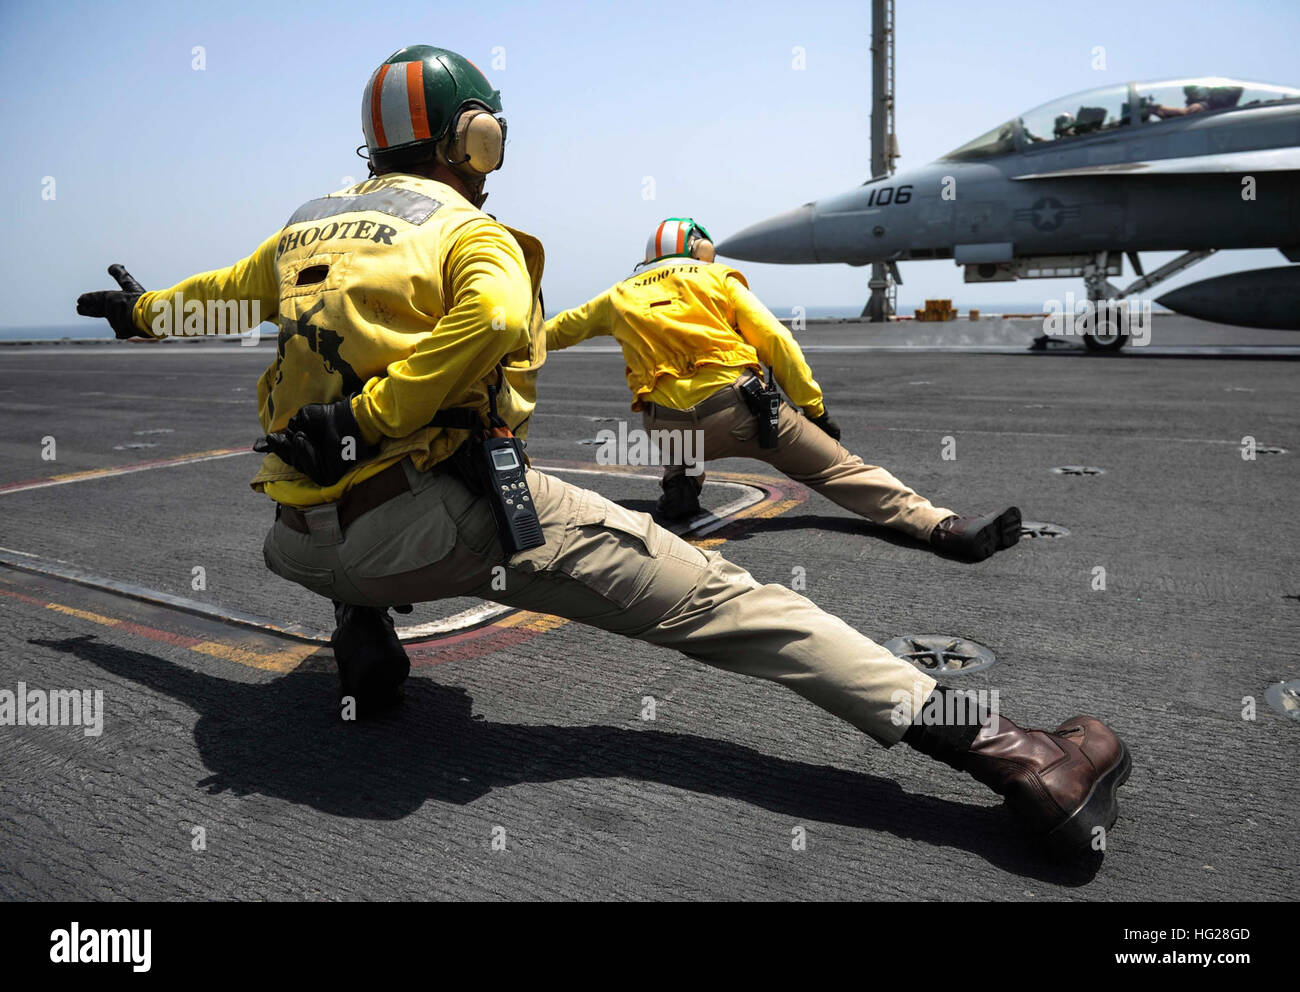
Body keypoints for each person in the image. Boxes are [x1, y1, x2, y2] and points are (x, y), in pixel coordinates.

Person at [76, 45, 1129, 855]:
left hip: (296, 542)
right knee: (735, 604)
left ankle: (365, 642)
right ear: (475, 141)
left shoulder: (306, 228)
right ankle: (1025, 758)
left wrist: (136, 315)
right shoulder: (472, 235)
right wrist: (375, 416)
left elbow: (199, 303)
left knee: (357, 505)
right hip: (433, 521)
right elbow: (493, 325)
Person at [544, 220, 1022, 562]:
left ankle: (680, 492)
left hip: (668, 427)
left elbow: (552, 332)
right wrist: (814, 408)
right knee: (839, 469)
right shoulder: (715, 277)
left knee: (675, 423)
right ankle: (942, 527)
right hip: (741, 410)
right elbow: (776, 340)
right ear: (698, 249)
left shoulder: (617, 293)